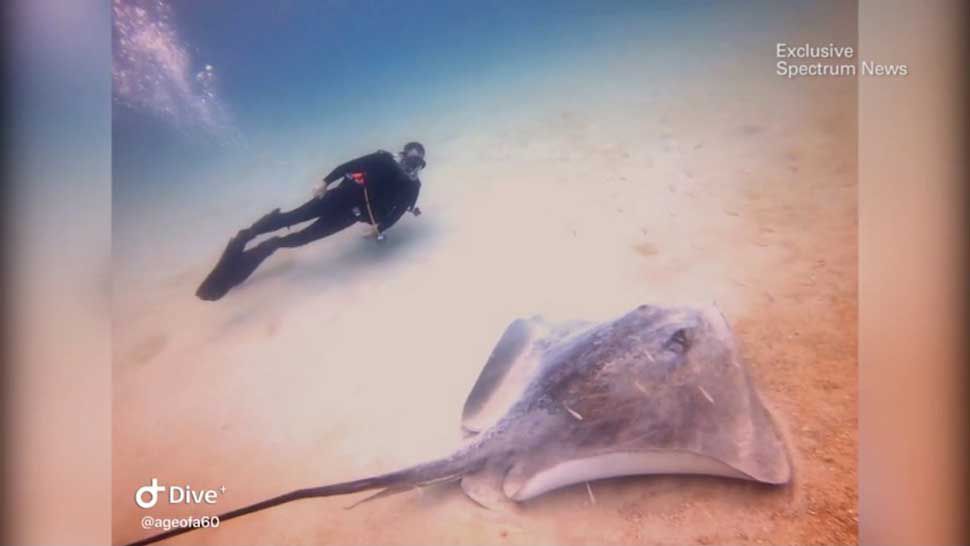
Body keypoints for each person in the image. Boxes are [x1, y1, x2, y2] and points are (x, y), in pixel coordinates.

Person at [196, 142, 426, 301]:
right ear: (403, 154)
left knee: (305, 237)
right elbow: (348, 166)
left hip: (349, 215)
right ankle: (247, 234)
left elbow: (399, 212)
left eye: (417, 162)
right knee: (295, 216)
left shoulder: (412, 186)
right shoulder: (382, 159)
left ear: (421, 165)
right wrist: (325, 182)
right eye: (410, 158)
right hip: (336, 198)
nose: (411, 165)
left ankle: (270, 245)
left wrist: (380, 227)